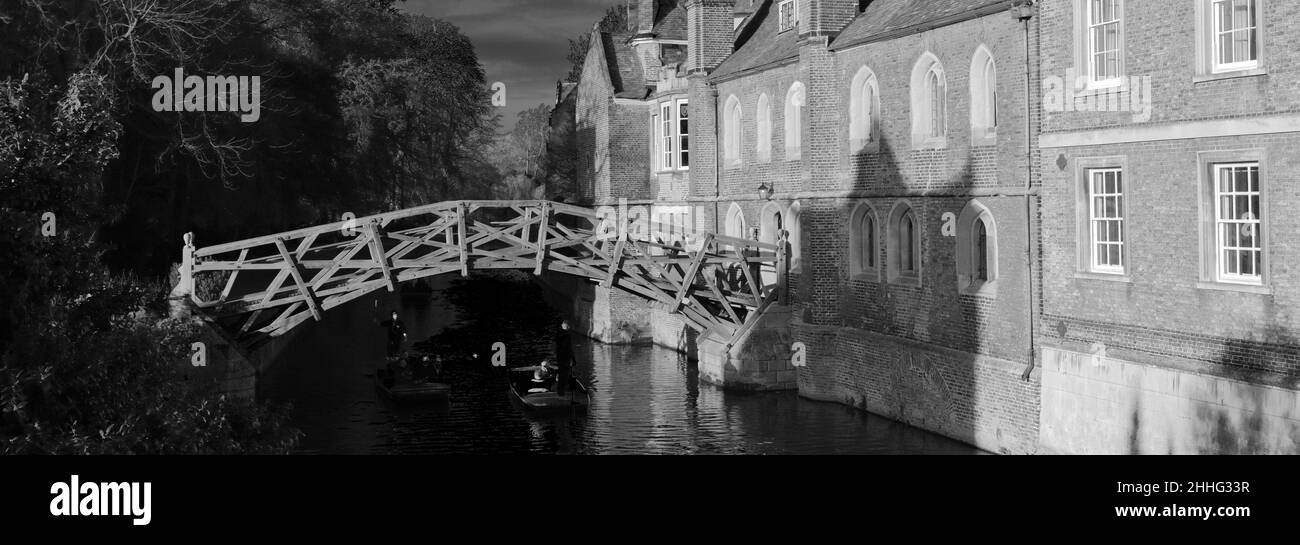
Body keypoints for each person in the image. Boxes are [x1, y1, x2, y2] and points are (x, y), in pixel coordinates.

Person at [554, 320, 576, 396]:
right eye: (568, 326)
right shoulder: (566, 335)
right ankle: (562, 392)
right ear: (565, 326)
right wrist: (573, 359)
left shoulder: (558, 334)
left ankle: (561, 391)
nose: (569, 328)